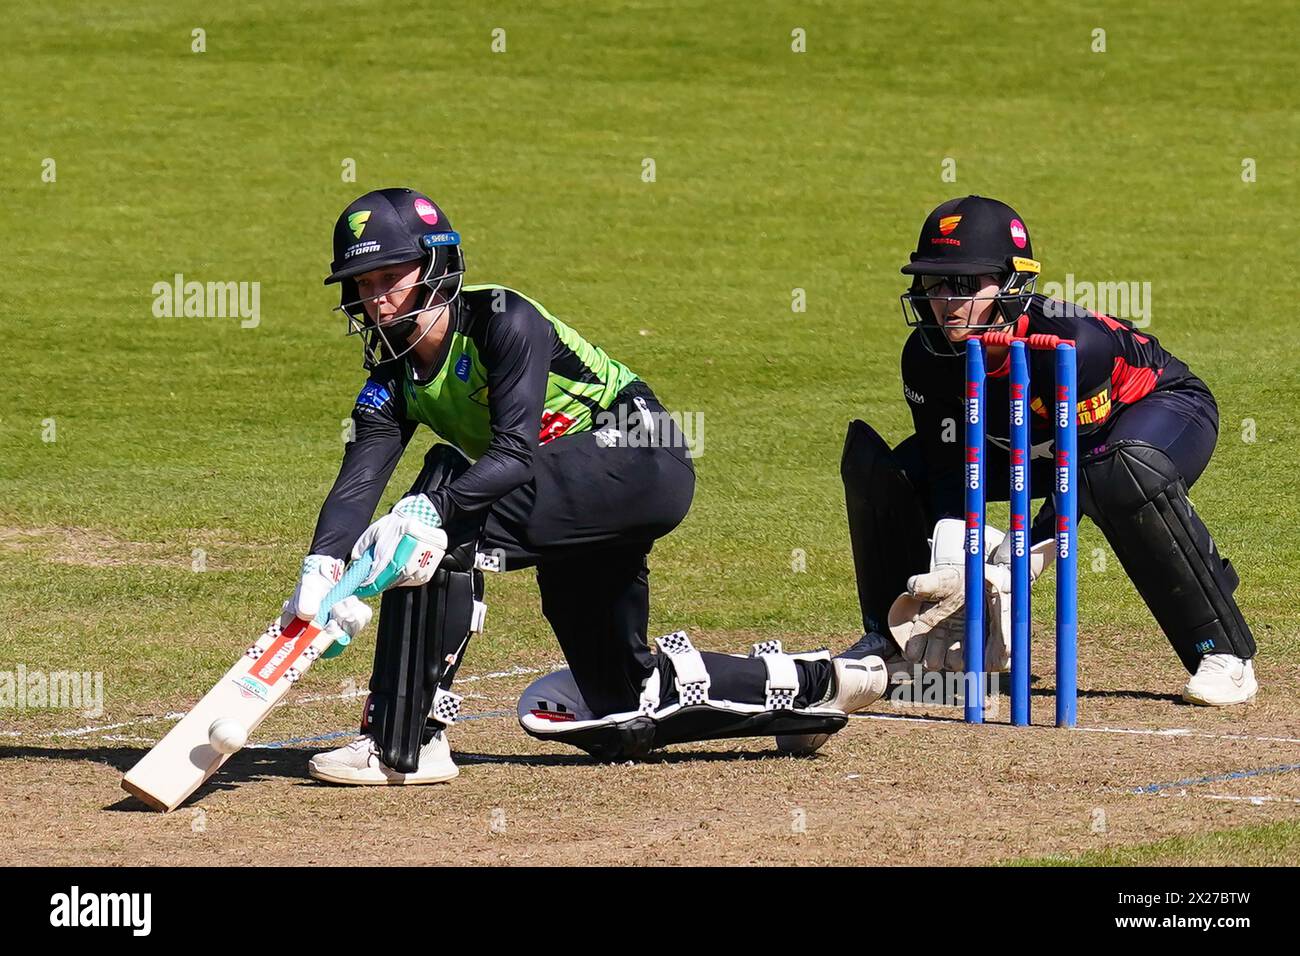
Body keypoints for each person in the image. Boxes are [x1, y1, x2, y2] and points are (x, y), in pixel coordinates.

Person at [281, 187, 888, 786]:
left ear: (436, 267)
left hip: (638, 458)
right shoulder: (391, 379)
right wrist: (322, 566)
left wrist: (428, 513)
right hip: (565, 495)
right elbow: (358, 482)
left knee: (436, 521)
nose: (377, 300)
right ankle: (816, 687)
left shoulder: (502, 319)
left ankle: (406, 740)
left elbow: (512, 455)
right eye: (363, 284)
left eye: (390, 277)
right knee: (622, 699)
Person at [844, 195, 1257, 708]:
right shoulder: (926, 356)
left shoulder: (1073, 346)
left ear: (1012, 283)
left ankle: (1223, 653)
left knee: (1121, 474)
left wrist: (1016, 558)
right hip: (1031, 443)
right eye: (934, 283)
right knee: (893, 473)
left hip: (1157, 414)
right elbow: (950, 468)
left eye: (965, 284)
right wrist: (958, 562)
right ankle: (894, 643)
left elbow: (1077, 468)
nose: (946, 301)